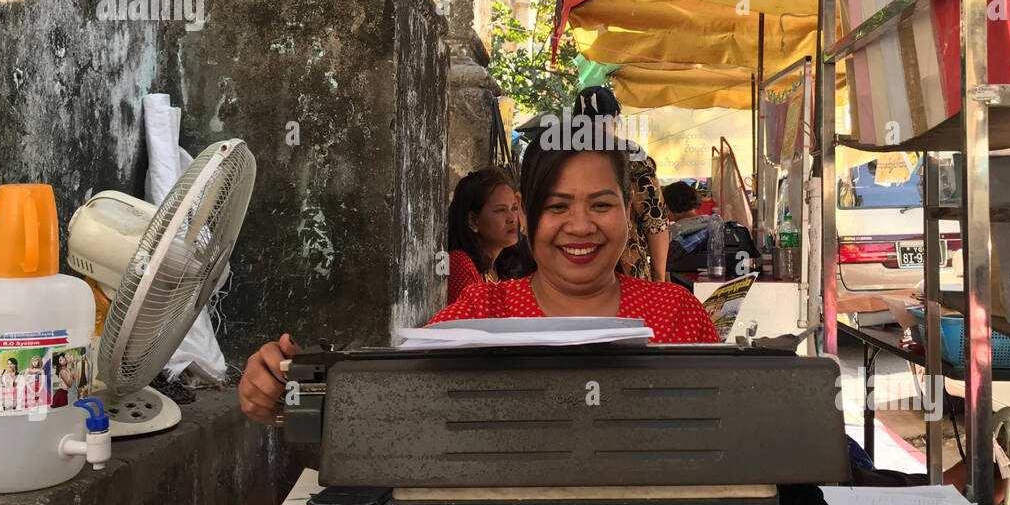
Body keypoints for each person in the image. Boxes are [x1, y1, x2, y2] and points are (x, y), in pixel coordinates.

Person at [238, 143, 718, 426]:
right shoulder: (482, 309)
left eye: (600, 204)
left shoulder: (678, 313)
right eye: (556, 207)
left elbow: (727, 421)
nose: (580, 226)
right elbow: (389, 404)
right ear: (526, 219)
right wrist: (289, 394)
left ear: (628, 210)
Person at [572, 86, 669, 283]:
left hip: (574, 270)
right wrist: (659, 279)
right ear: (615, 117)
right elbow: (655, 222)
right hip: (628, 272)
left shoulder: (560, 160)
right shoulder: (634, 159)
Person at [445, 166, 530, 303]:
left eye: (514, 208)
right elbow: (467, 323)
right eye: (500, 210)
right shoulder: (459, 263)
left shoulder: (500, 267)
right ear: (473, 221)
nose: (512, 218)